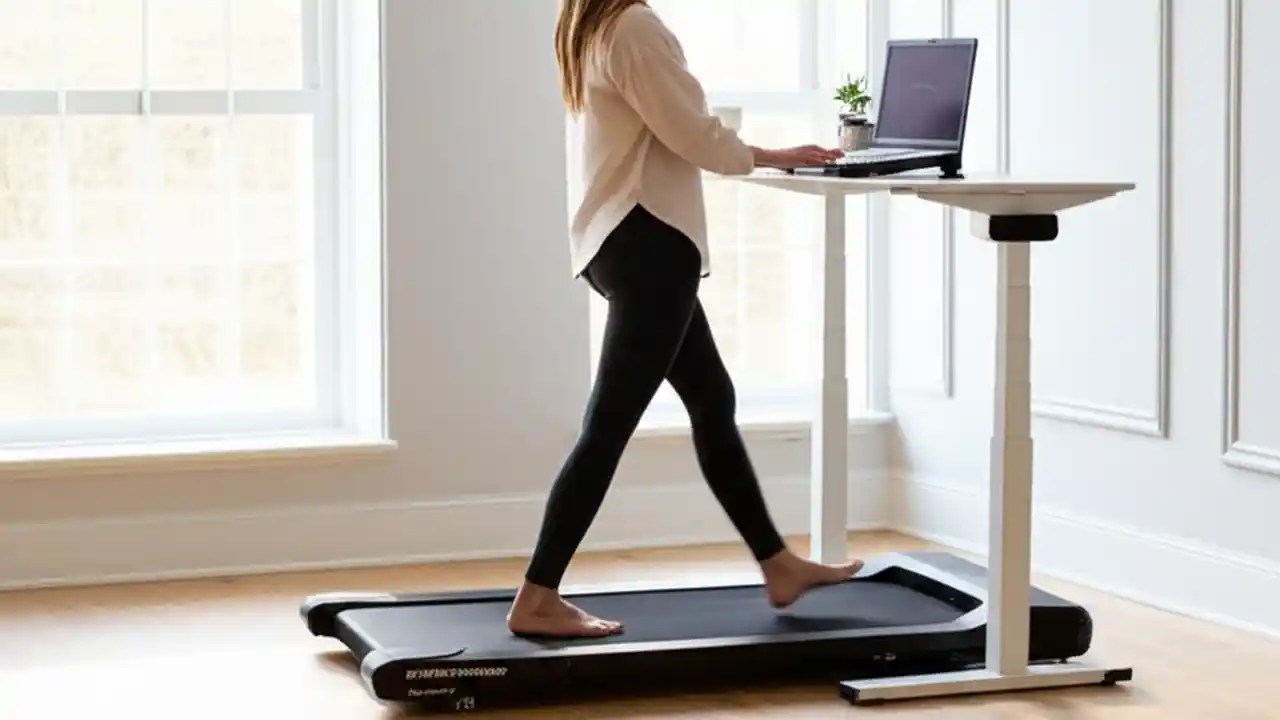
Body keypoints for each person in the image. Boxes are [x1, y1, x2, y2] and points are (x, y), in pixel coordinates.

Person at [507, 0, 863, 639]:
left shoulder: (589, 25)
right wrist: (775, 153)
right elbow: (695, 136)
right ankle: (537, 595)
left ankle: (777, 563)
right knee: (608, 425)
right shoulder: (633, 27)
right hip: (649, 243)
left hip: (619, 239)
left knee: (710, 397)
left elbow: (669, 127)